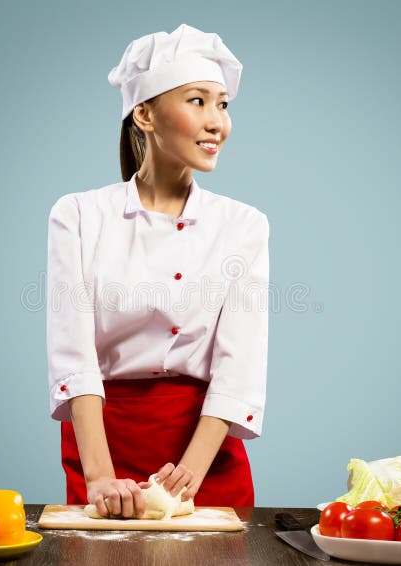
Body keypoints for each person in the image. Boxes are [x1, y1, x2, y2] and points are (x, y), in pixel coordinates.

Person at [46, 23, 269, 519]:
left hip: (205, 448)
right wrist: (100, 476)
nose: (218, 123)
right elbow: (73, 354)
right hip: (103, 440)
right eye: (197, 101)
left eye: (223, 105)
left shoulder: (244, 225)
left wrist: (188, 473)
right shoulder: (79, 215)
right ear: (143, 113)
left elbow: (241, 361)